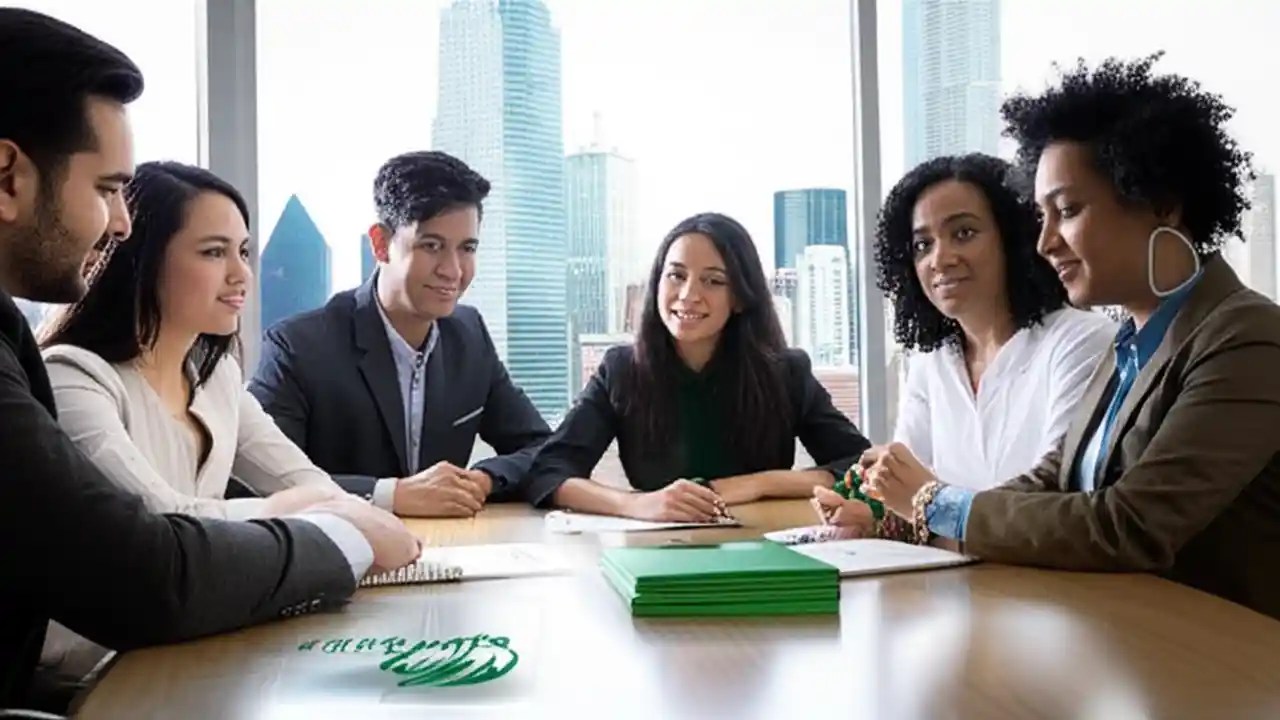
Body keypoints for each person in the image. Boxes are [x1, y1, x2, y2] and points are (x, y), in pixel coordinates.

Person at [0, 9, 417, 711]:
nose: (121, 223)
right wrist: (330, 530)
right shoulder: (73, 376)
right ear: (8, 176)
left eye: (244, 252)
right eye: (106, 189)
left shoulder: (209, 374)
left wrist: (325, 508)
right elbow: (144, 567)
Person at [861, 54, 1280, 619]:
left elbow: (1128, 525)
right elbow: (1053, 479)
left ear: (1162, 202)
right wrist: (911, 517)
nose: (1045, 243)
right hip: (1123, 642)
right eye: (1043, 218)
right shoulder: (1125, 342)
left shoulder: (1246, 336)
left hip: (1225, 663)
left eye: (1068, 210)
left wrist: (937, 505)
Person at [812, 154, 1114, 523]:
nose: (940, 259)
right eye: (923, 244)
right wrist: (865, 514)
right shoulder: (932, 361)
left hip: (1047, 577)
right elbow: (904, 491)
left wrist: (927, 502)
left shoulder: (1083, 343)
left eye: (964, 234)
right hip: (959, 574)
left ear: (1013, 239)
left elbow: (1057, 497)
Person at [248, 151, 550, 518]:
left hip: (451, 550)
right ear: (380, 243)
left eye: (467, 248)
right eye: (432, 246)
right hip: (338, 558)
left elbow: (542, 448)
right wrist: (389, 495)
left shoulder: (469, 336)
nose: (453, 270)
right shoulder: (297, 347)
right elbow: (261, 479)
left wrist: (484, 479)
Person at [41, 161, 348, 520]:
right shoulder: (71, 377)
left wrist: (348, 510)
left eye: (243, 252)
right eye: (214, 252)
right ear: (143, 260)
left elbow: (310, 484)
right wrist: (285, 509)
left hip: (208, 576)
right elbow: (160, 518)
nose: (241, 274)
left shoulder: (217, 375)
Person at [524, 212, 872, 521]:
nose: (688, 294)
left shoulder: (786, 372)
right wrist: (637, 505)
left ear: (739, 297)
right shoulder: (622, 370)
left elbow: (859, 465)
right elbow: (550, 473)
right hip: (658, 550)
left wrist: (757, 484)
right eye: (676, 275)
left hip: (760, 546)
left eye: (713, 281)